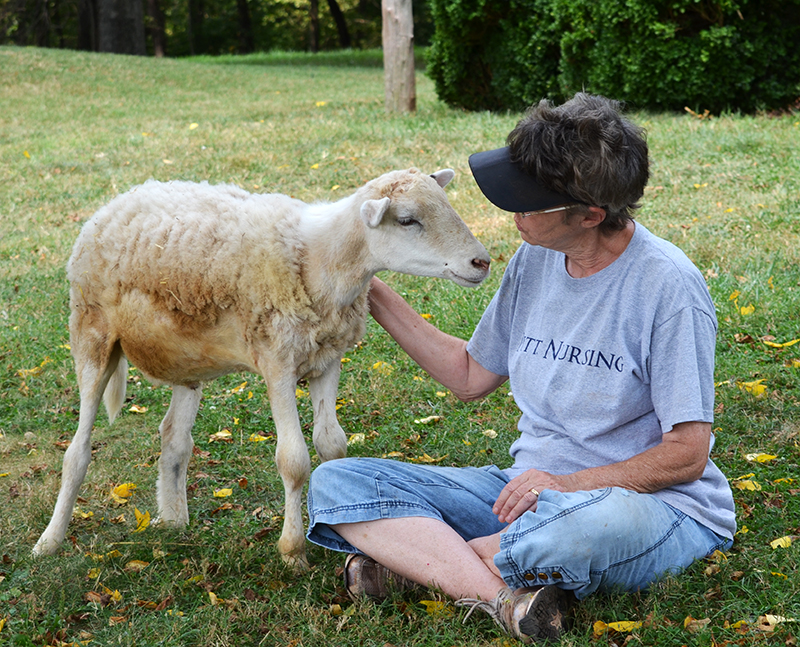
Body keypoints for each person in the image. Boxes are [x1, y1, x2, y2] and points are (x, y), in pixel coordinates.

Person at [305, 93, 736, 644]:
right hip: (520, 493)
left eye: (529, 201)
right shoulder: (537, 260)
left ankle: (414, 563)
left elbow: (687, 454)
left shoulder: (668, 288)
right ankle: (507, 599)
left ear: (590, 214)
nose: (513, 212)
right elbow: (468, 375)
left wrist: (564, 484)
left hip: (649, 506)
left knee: (579, 531)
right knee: (338, 481)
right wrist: (369, 280)